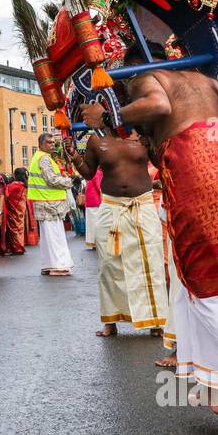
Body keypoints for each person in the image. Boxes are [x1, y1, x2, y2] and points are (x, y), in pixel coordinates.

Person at [84, 58, 218, 435]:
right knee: (196, 280)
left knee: (212, 288)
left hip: (198, 170)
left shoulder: (147, 78)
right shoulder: (205, 81)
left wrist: (107, 112)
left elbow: (158, 107)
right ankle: (214, 386)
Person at [66, 128, 166, 338]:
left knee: (150, 262)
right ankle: (111, 321)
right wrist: (75, 157)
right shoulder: (96, 140)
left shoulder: (141, 134)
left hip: (143, 206)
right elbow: (89, 173)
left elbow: (160, 164)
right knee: (110, 265)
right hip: (111, 207)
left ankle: (156, 320)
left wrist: (153, 142)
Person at [29, 133, 74, 276]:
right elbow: (52, 180)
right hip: (50, 204)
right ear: (41, 144)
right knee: (55, 237)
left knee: (48, 237)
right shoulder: (44, 159)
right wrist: (68, 182)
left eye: (53, 142)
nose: (52, 144)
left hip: (45, 202)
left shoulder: (40, 157)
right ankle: (58, 266)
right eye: (49, 142)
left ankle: (48, 265)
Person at [2, 168, 28, 255]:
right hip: (21, 209)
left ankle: (17, 248)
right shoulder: (24, 185)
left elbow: (6, 196)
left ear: (15, 175)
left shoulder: (13, 185)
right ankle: (19, 246)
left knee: (14, 229)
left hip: (13, 210)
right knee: (19, 228)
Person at [82, 165, 102, 249]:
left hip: (90, 200)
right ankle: (96, 242)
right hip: (95, 200)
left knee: (91, 222)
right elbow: (99, 187)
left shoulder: (92, 171)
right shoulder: (97, 172)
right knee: (96, 222)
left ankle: (92, 242)